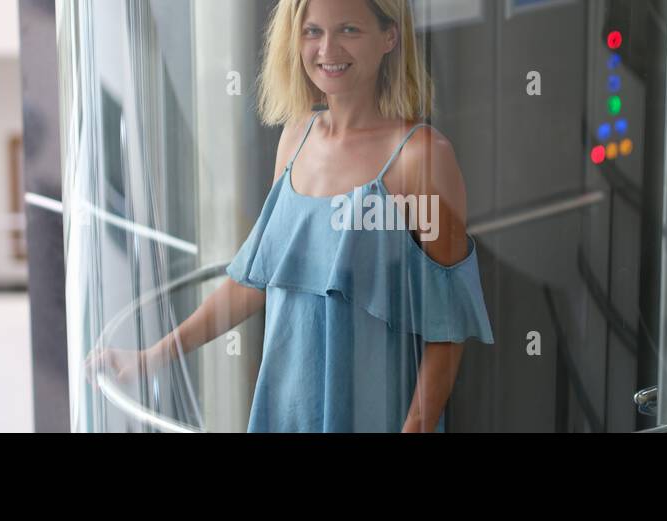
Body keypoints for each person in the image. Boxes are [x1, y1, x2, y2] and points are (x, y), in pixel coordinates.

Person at [86, 0, 493, 432]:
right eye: (312, 31)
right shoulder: (296, 137)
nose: (327, 49)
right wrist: (152, 358)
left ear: (389, 37)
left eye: (349, 30)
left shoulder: (421, 158)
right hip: (283, 411)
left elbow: (448, 326)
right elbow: (253, 281)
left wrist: (415, 427)